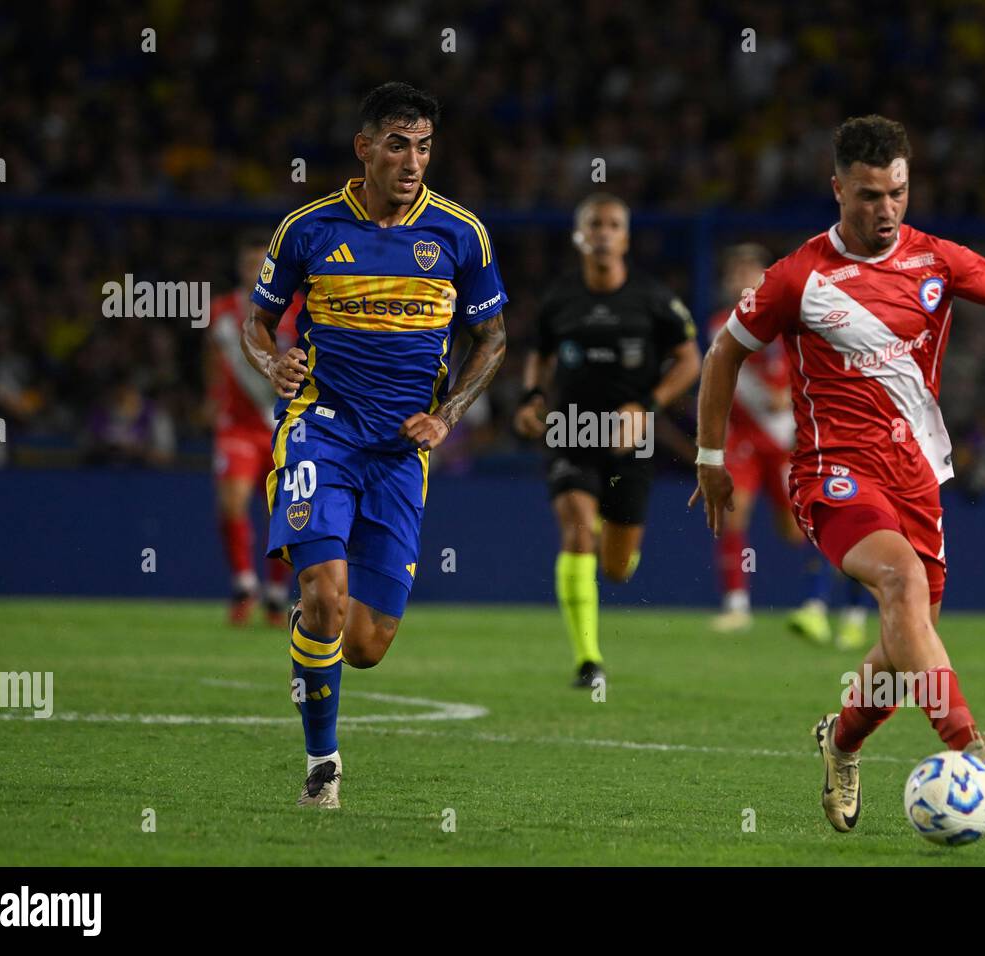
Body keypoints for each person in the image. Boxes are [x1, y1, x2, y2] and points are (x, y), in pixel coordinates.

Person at [690, 115, 985, 832]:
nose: (884, 209)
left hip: (917, 476)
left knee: (904, 641)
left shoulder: (938, 261)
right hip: (832, 472)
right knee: (900, 582)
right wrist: (708, 460)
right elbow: (722, 355)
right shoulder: (796, 278)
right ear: (837, 190)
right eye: (867, 195)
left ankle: (841, 741)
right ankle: (966, 741)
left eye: (896, 192)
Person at [242, 82, 508, 808]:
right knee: (325, 597)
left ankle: (314, 630)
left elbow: (493, 337)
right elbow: (257, 321)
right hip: (319, 432)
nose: (413, 160)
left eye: (423, 146)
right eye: (398, 143)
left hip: (400, 452)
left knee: (364, 646)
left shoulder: (460, 234)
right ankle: (322, 766)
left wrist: (449, 413)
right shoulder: (309, 228)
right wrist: (274, 363)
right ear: (365, 148)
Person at [514, 194, 701, 687]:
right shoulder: (559, 299)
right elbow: (538, 354)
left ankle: (607, 530)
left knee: (617, 568)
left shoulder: (652, 298)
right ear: (579, 236)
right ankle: (588, 661)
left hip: (627, 442)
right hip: (570, 430)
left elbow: (690, 360)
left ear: (626, 237)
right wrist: (534, 396)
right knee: (577, 530)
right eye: (594, 224)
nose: (602, 232)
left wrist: (648, 405)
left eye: (613, 224)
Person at [706, 243, 869, 648]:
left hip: (789, 438)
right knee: (735, 511)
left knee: (803, 530)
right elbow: (735, 374)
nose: (742, 279)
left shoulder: (790, 319)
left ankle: (838, 605)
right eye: (735, 272)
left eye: (750, 271)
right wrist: (771, 395)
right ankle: (737, 604)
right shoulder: (721, 324)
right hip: (745, 437)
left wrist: (791, 397)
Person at [206, 234, 300, 625]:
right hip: (238, 426)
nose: (256, 271)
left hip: (283, 420)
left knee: (283, 510)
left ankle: (277, 594)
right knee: (232, 501)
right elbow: (212, 356)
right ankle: (245, 584)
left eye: (263, 265)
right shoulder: (221, 311)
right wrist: (212, 397)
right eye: (249, 265)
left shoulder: (296, 310)